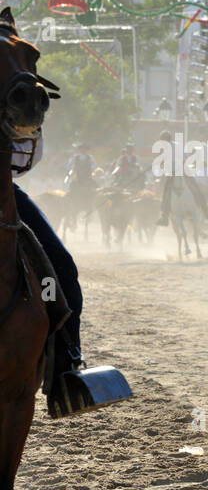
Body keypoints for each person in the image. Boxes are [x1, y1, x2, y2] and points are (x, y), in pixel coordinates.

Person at [10, 134, 125, 416]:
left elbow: (26, 159)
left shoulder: (9, 99)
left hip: (3, 189)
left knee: (58, 269)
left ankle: (65, 359)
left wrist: (23, 127)